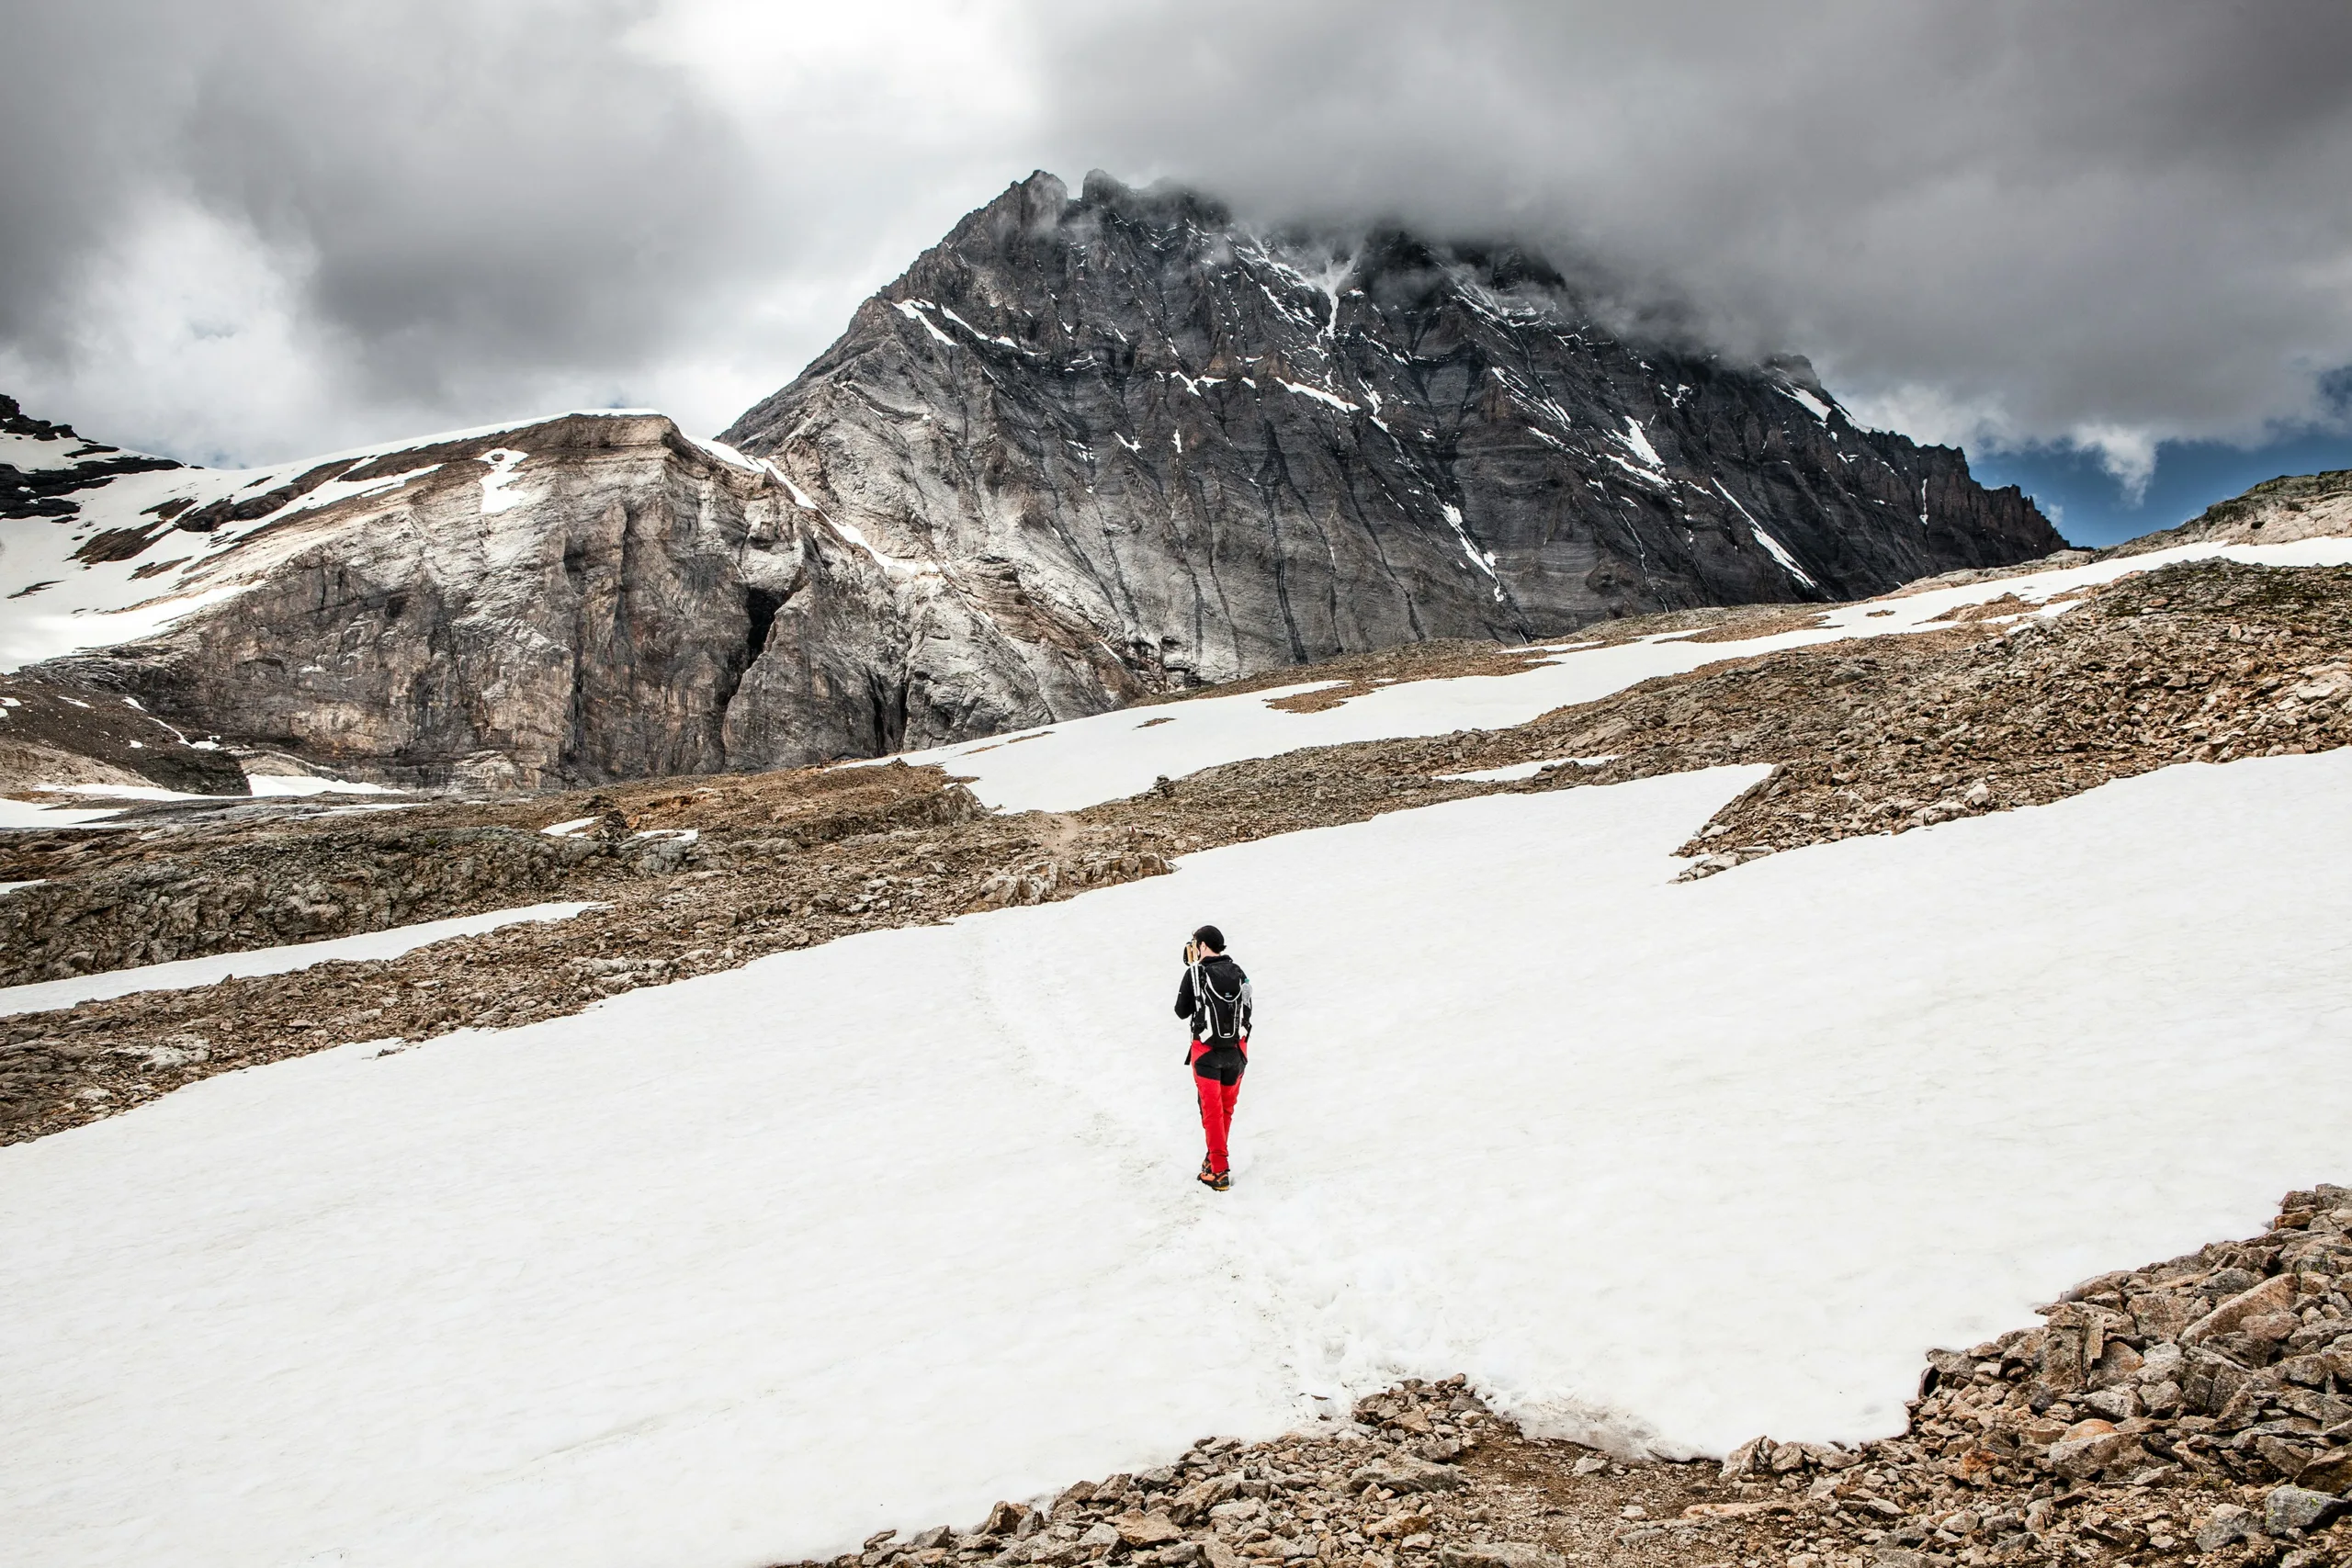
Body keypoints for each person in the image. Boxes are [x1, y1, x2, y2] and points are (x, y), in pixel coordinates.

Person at [1175, 924, 1252, 1191]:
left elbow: (1181, 1012)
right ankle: (1213, 1161)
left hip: (1206, 1054)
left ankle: (1219, 1171)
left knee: (1211, 1113)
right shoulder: (1239, 972)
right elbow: (1247, 1010)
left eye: (1195, 944)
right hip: (1237, 1054)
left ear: (1203, 946)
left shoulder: (1195, 974)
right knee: (1225, 1110)